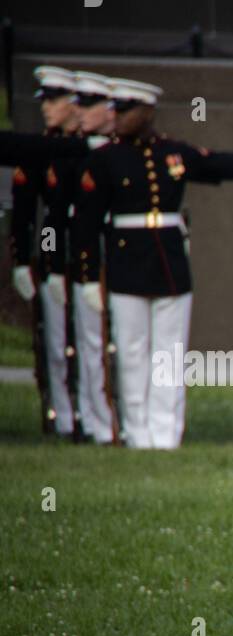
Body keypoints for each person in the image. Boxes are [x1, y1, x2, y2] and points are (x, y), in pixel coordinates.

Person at [72, 78, 233, 449]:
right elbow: (86, 222)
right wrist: (87, 274)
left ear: (147, 112)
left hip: (169, 262)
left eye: (126, 110)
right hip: (127, 260)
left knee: (169, 354)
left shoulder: (173, 153)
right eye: (115, 109)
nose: (118, 117)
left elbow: (226, 164)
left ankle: (165, 431)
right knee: (130, 350)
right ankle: (136, 429)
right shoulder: (104, 158)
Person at [10, 65, 81, 438]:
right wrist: (27, 259)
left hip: (90, 249)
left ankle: (88, 412)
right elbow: (28, 214)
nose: (46, 108)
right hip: (54, 242)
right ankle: (62, 414)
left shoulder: (90, 146)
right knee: (54, 340)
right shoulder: (41, 149)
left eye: (54, 101)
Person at [68, 71, 118, 444]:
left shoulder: (120, 154)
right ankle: (89, 418)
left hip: (122, 259)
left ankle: (115, 421)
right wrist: (49, 262)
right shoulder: (69, 152)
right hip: (82, 259)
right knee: (84, 344)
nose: (78, 112)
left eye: (90, 105)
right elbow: (54, 219)